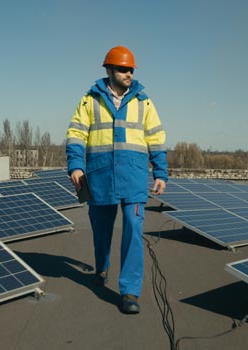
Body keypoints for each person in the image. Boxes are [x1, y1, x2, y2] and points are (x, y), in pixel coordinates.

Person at [66, 46, 168, 314]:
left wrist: (160, 172)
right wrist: (76, 167)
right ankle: (102, 267)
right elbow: (76, 134)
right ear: (109, 70)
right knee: (101, 231)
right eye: (123, 69)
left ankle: (130, 292)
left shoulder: (143, 102)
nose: (129, 73)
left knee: (134, 229)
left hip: (133, 177)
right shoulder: (90, 101)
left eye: (131, 69)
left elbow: (156, 138)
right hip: (99, 177)